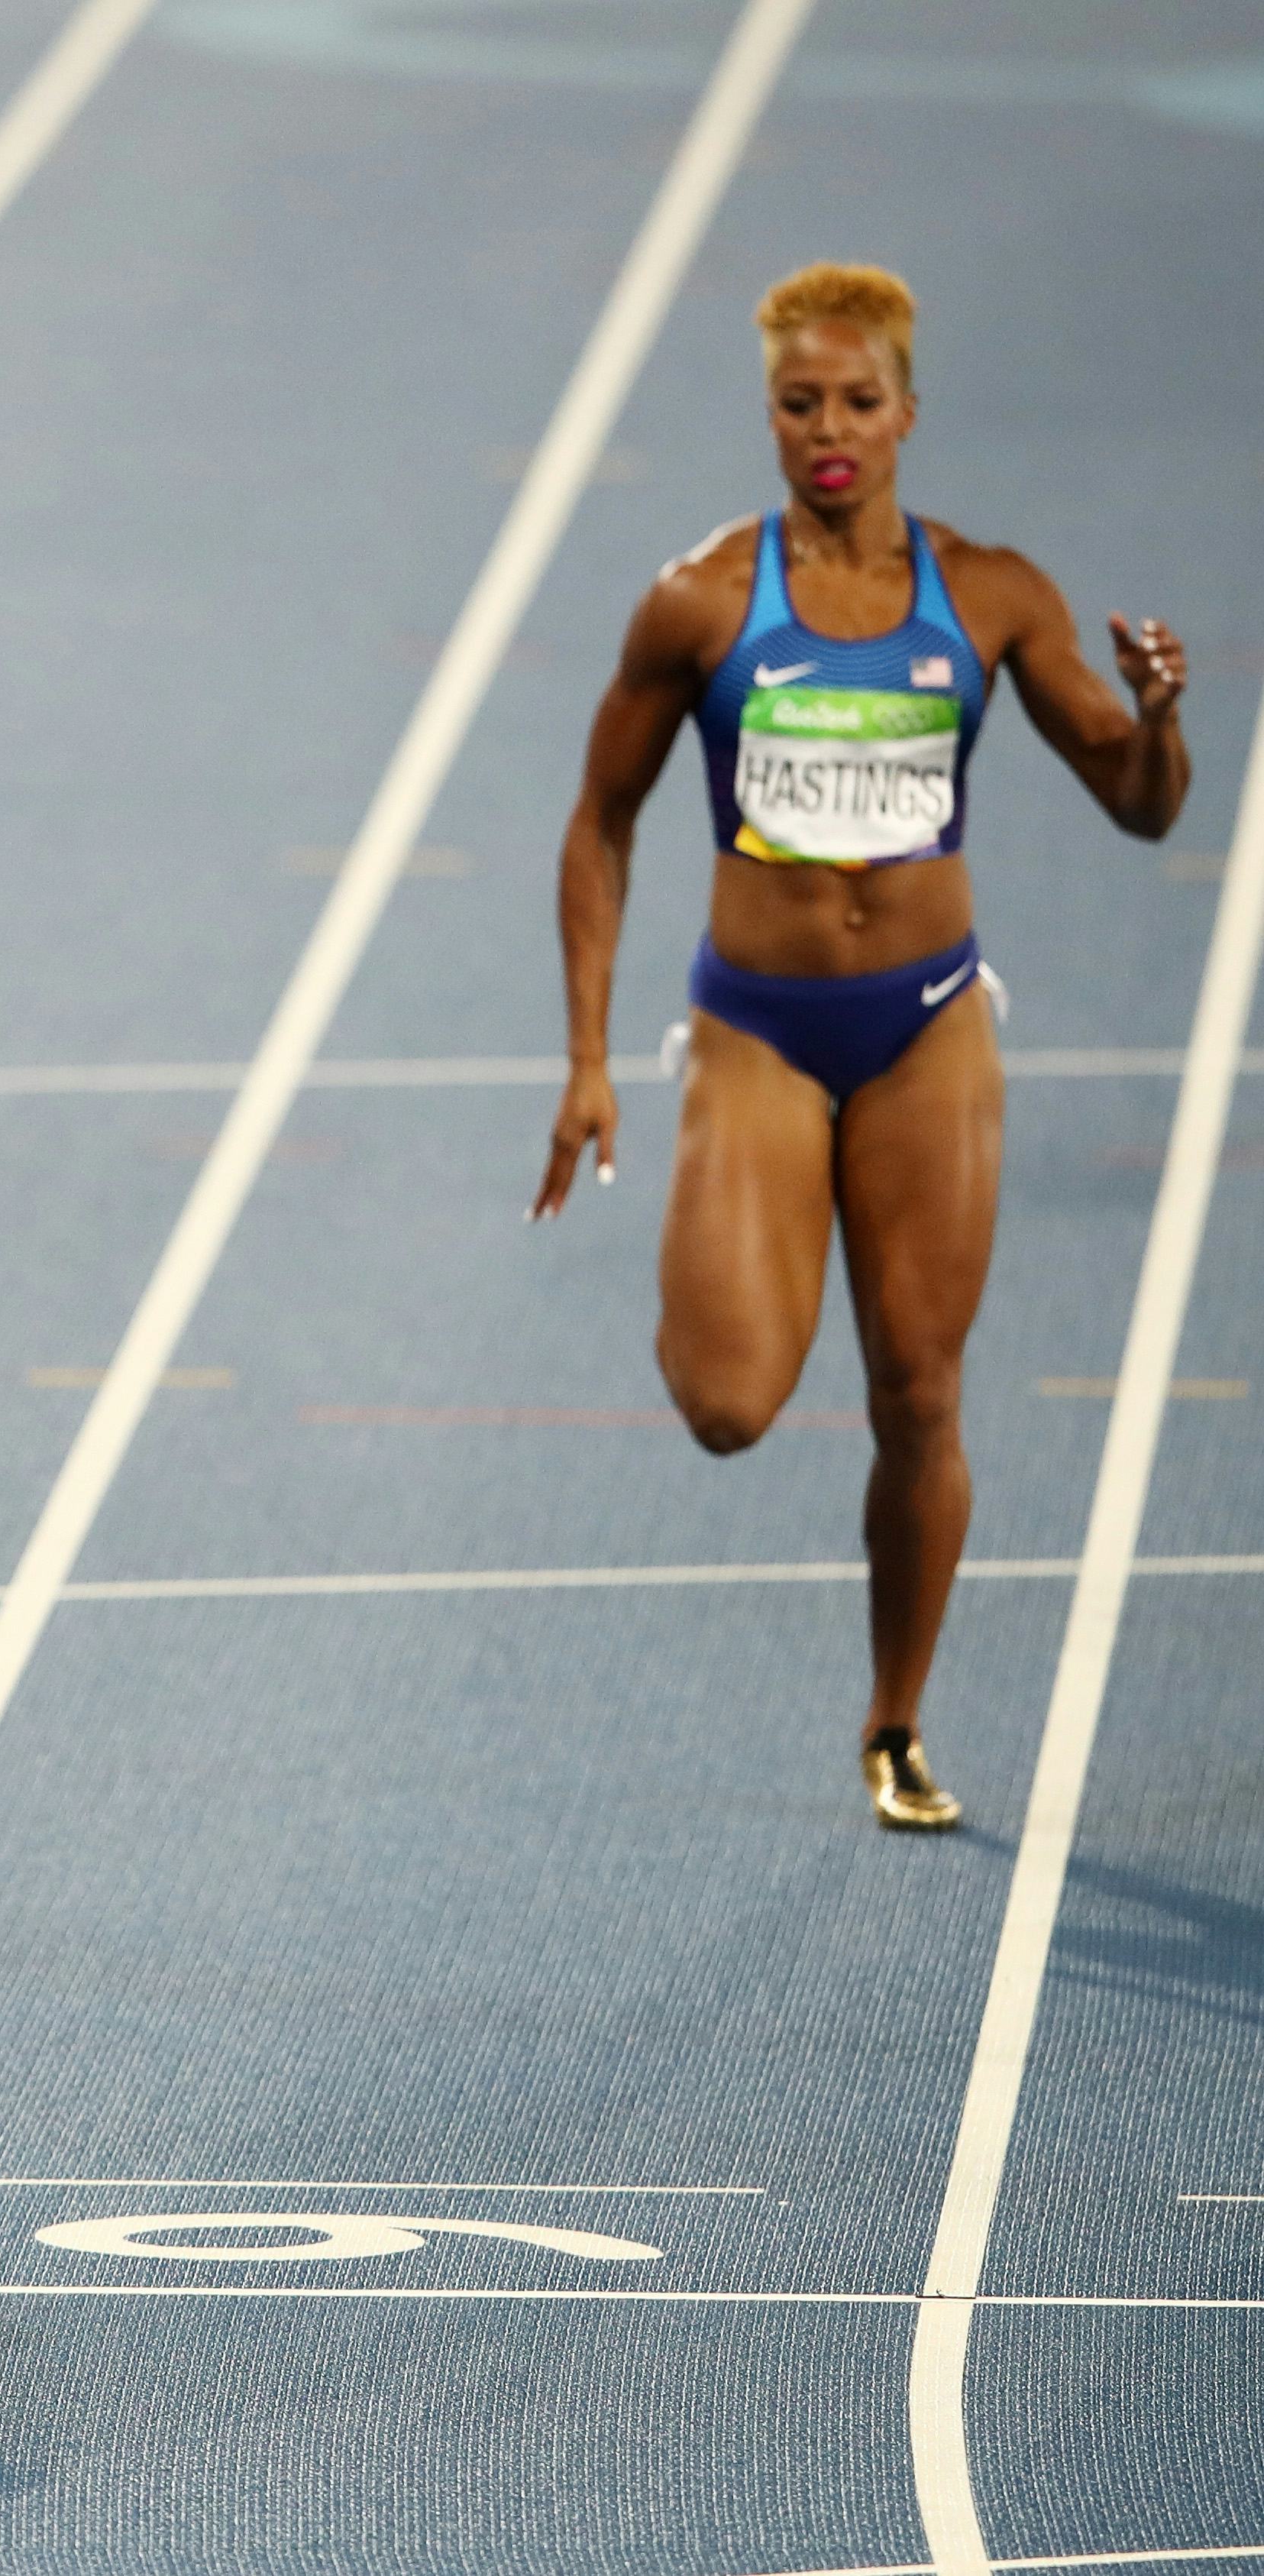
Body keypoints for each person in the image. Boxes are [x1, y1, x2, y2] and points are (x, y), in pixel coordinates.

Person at [535, 264, 1188, 1829]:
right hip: (760, 1029)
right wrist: (588, 1055)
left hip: (924, 1028)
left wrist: (1160, 717)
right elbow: (599, 824)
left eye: (858, 402)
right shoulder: (699, 601)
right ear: (771, 416)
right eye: (798, 403)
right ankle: (733, 1231)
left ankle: (896, 1724)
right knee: (729, 1406)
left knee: (918, 1391)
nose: (829, 431)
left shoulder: (991, 594)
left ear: (908, 412)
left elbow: (1141, 804)